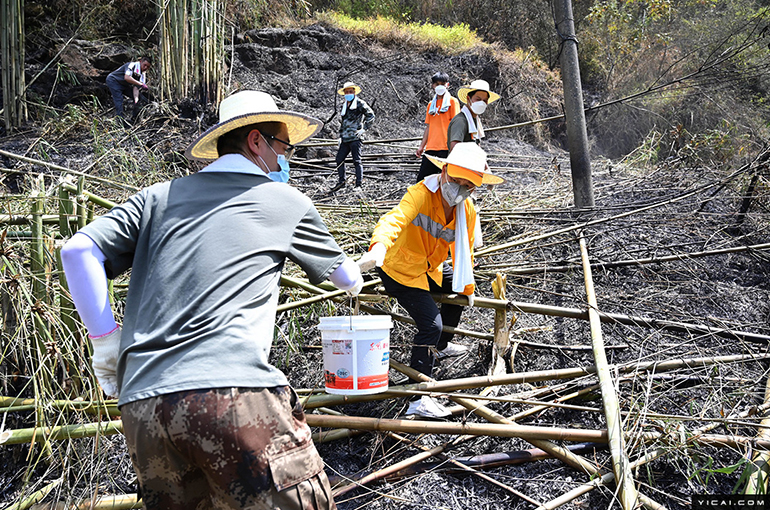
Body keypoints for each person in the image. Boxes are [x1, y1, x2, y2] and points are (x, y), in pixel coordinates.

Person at [61, 90, 364, 510]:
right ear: (256, 142)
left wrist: (107, 345)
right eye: (284, 148)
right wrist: (367, 263)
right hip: (233, 395)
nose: (285, 161)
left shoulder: (157, 198)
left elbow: (77, 252)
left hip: (144, 407)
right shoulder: (285, 200)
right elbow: (347, 278)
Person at [357, 142, 504, 418]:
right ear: (445, 170)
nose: (459, 187)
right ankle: (418, 396)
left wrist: (467, 286)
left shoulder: (467, 210)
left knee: (458, 290)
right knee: (430, 324)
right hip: (398, 268)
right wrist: (377, 248)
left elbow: (466, 253)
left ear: (474, 187)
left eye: (467, 185)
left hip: (428, 268)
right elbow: (394, 220)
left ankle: (442, 346)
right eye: (456, 180)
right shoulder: (421, 194)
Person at [415, 72, 461, 183]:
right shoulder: (431, 105)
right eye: (437, 84)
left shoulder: (452, 102)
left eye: (442, 83)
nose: (439, 86)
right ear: (433, 85)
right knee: (423, 180)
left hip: (446, 148)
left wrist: (454, 147)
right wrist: (422, 146)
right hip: (431, 148)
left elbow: (456, 125)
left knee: (446, 180)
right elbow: (429, 126)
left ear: (447, 85)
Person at [331, 81, 375, 191]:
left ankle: (358, 184)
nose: (348, 93)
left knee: (357, 160)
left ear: (354, 92)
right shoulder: (345, 105)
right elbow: (344, 121)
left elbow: (371, 115)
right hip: (346, 137)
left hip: (355, 137)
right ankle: (342, 182)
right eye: (346, 92)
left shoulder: (360, 103)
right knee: (339, 159)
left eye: (350, 91)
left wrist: (363, 129)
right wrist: (341, 136)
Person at [447, 79, 500, 151]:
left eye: (484, 100)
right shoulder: (461, 121)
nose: (481, 103)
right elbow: (455, 148)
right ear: (468, 99)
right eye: (478, 99)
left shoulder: (474, 120)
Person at [106, 56, 152, 124]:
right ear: (140, 62)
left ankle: (134, 119)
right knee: (119, 100)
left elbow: (136, 87)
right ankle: (120, 121)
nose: (145, 68)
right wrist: (140, 84)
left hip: (124, 85)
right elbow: (127, 77)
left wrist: (136, 99)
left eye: (148, 67)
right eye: (144, 65)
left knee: (139, 99)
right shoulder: (131, 65)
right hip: (114, 81)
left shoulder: (142, 74)